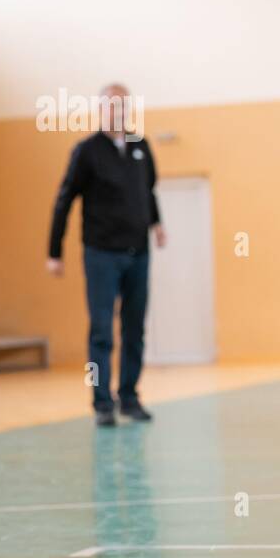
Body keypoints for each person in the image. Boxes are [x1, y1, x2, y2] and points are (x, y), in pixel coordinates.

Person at [47, 83, 166, 426]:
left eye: (123, 106)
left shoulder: (139, 145)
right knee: (101, 330)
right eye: (111, 106)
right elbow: (64, 199)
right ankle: (102, 402)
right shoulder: (87, 151)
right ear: (101, 110)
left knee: (135, 328)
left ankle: (129, 396)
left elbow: (149, 190)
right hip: (101, 253)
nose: (117, 112)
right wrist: (54, 251)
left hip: (138, 253)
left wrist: (157, 224)